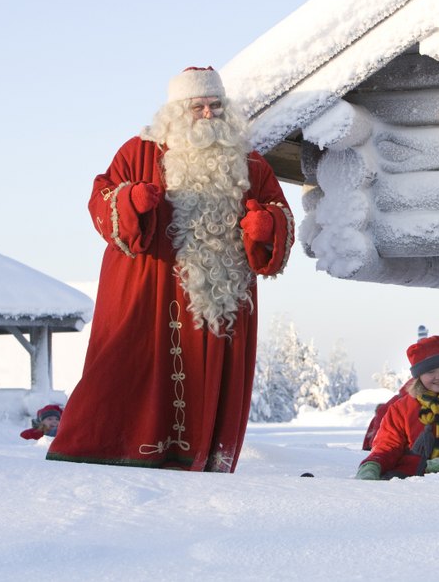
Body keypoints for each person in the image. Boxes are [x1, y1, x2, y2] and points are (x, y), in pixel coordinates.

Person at [48, 66, 294, 472]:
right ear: (177, 111)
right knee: (126, 368)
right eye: (198, 106)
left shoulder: (250, 163)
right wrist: (130, 201)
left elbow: (280, 215)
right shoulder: (137, 152)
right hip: (149, 293)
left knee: (204, 383)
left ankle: (196, 460)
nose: (209, 115)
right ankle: (97, 455)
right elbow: (100, 201)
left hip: (222, 299)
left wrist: (267, 226)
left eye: (216, 106)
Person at [356, 335, 439, 479]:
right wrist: (373, 465)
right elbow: (388, 446)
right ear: (418, 376)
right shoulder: (401, 408)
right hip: (408, 477)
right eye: (430, 372)